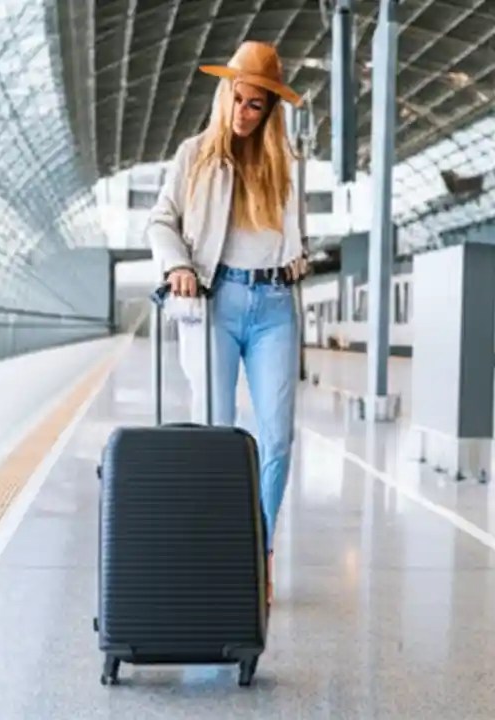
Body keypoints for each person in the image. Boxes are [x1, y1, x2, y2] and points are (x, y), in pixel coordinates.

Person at [145, 40, 309, 606]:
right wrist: (178, 265)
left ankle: (258, 550)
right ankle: (215, 548)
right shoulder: (194, 155)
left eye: (256, 104)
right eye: (238, 99)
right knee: (215, 430)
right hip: (215, 302)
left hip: (274, 306)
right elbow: (161, 222)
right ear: (225, 96)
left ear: (270, 110)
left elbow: (298, 236)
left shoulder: (286, 165)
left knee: (278, 437)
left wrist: (299, 255)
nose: (244, 112)